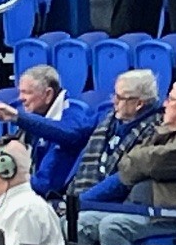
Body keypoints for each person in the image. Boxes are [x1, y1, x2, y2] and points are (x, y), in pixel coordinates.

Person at [74, 79, 176, 245]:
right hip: (139, 210)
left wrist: (140, 159)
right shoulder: (162, 132)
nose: (165, 104)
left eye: (171, 99)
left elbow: (155, 162)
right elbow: (127, 162)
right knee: (80, 223)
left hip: (170, 216)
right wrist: (140, 159)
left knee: (112, 226)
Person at [66, 68, 162, 219]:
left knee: (76, 224)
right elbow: (72, 133)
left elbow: (124, 178)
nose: (113, 101)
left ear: (138, 104)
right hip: (88, 199)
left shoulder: (156, 129)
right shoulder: (110, 119)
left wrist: (81, 202)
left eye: (119, 97)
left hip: (120, 206)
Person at [0, 63, 93, 200]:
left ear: (48, 94)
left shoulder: (74, 113)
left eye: (27, 92)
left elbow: (69, 134)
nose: (21, 98)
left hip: (54, 200)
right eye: (20, 91)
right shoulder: (35, 117)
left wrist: (17, 117)